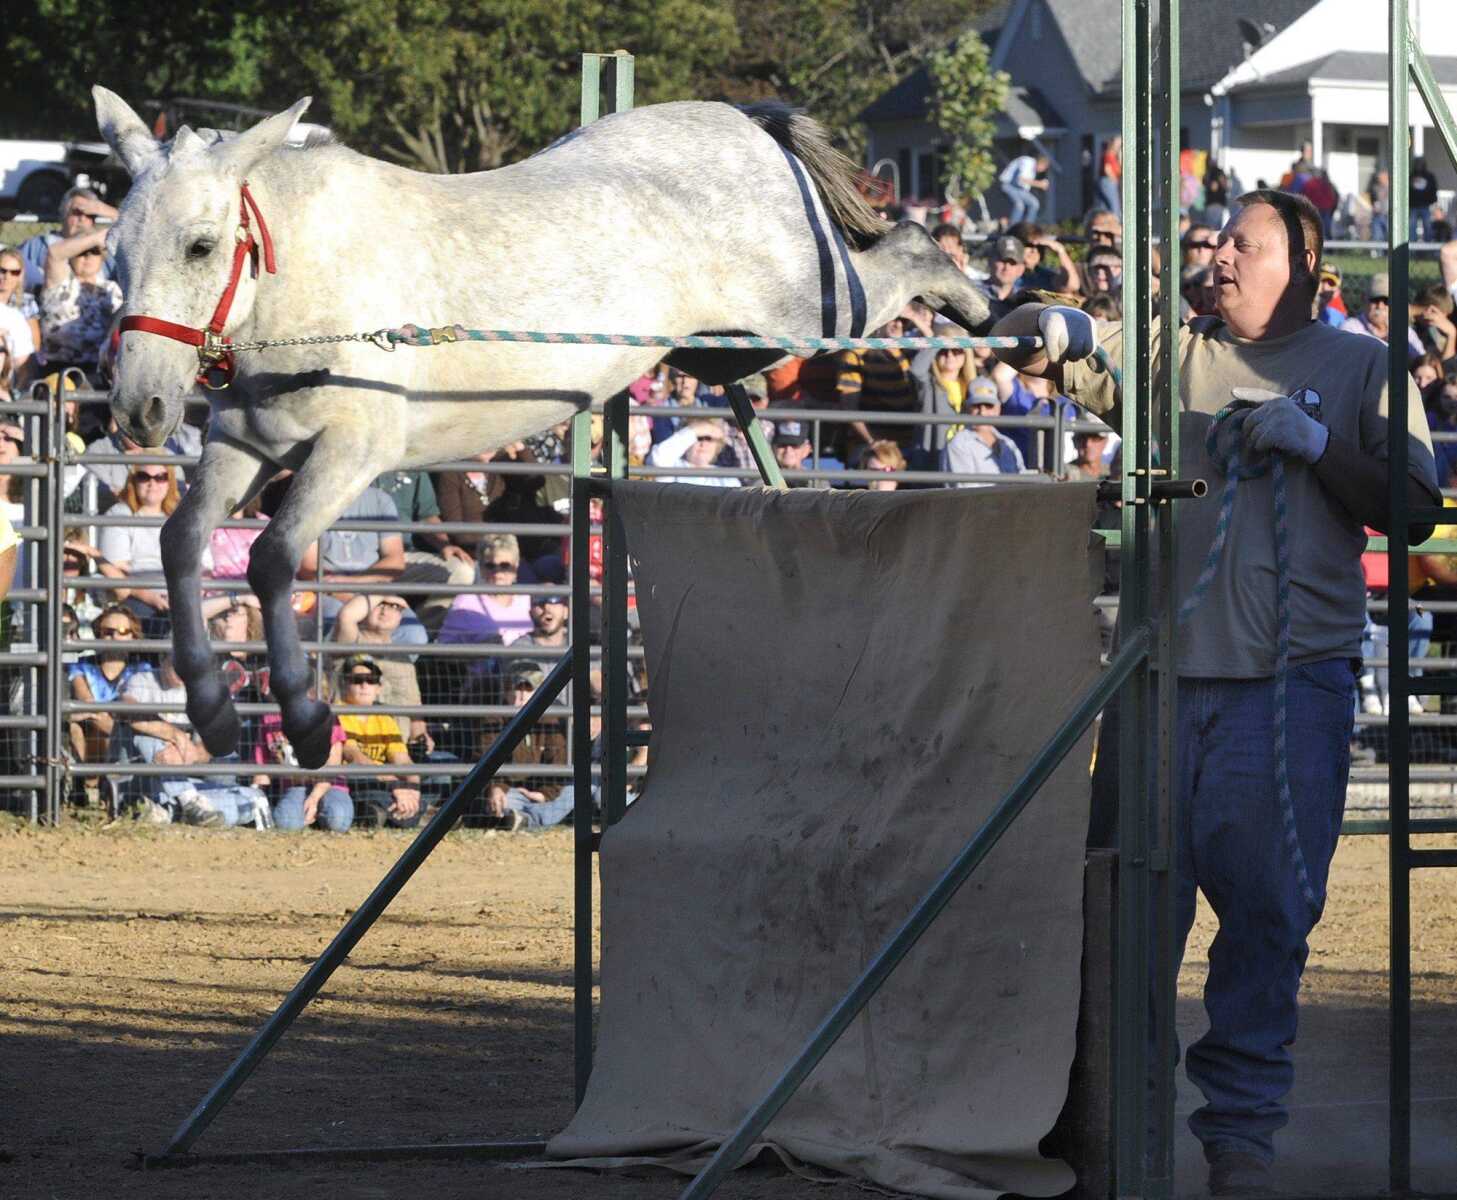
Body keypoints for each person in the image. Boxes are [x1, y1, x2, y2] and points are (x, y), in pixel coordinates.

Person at [992, 187, 1440, 1195]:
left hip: (1286, 691)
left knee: (1265, 919)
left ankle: (1237, 1141)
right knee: (1123, 924)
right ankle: (1114, 1127)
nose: (1219, 255)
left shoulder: (1362, 366)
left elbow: (1414, 507)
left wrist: (1320, 447)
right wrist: (1040, 329)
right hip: (1155, 686)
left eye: (1242, 242)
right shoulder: (1167, 355)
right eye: (1215, 240)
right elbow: (1053, 346)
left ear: (1302, 270)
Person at [471, 664, 575, 832]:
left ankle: (526, 819)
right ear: (506, 691)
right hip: (511, 791)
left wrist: (543, 794)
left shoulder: (552, 721)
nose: (521, 696)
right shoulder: (493, 719)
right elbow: (485, 761)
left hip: (544, 795)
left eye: (528, 689)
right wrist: (496, 787)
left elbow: (559, 764)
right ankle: (528, 817)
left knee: (574, 792)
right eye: (516, 688)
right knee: (502, 800)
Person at [98, 463, 192, 636]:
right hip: (136, 596)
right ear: (133, 481)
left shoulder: (182, 515)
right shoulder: (120, 514)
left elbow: (203, 565)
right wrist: (151, 597)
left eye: (160, 477)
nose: (152, 483)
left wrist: (185, 595)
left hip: (182, 593)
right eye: (144, 477)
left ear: (169, 481)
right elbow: (117, 570)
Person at [334, 653, 423, 828]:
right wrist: (395, 785)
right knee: (363, 775)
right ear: (345, 684)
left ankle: (393, 810)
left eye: (371, 680)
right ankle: (417, 814)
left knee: (435, 779)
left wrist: (414, 789)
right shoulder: (338, 714)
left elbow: (402, 760)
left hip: (384, 780)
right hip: (355, 778)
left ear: (379, 688)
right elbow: (354, 757)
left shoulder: (385, 719)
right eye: (357, 680)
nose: (364, 685)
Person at [66, 604, 151, 768]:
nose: (115, 636)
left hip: (128, 735)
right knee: (81, 728)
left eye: (123, 631)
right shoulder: (82, 665)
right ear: (99, 634)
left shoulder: (142, 669)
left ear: (134, 636)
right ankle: (90, 787)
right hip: (92, 733)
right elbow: (87, 703)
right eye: (108, 632)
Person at [39, 222, 122, 383]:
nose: (88, 256)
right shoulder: (61, 281)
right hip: (58, 367)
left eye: (94, 251)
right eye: (82, 251)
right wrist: (97, 238)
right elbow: (54, 253)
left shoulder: (111, 289)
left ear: (102, 257)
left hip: (97, 370)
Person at [17, 186, 118, 293]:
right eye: (77, 212)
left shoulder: (101, 250)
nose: (82, 219)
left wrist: (110, 212)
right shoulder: (38, 246)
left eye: (90, 215)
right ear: (64, 214)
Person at [945, 380, 1024, 480]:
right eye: (976, 405)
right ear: (966, 408)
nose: (982, 412)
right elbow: (965, 492)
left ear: (998, 409)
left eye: (988, 405)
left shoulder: (1009, 443)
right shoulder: (958, 444)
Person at [1340, 272, 1423, 363]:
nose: (1380, 306)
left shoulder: (1404, 331)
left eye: (1386, 301)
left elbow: (1420, 360)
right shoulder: (1350, 328)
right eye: (1375, 300)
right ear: (1364, 299)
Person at [645, 417, 742, 486]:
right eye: (699, 438)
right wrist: (695, 430)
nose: (703, 444)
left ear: (717, 446)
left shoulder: (727, 478)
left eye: (709, 439)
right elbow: (658, 459)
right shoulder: (673, 465)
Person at [0, 248, 38, 394]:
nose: (6, 276)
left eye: (13, 272)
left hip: (11, 376)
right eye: (2, 270)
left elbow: (32, 349)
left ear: (20, 275)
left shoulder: (23, 307)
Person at [978, 236, 1028, 322]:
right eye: (1002, 261)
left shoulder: (1026, 298)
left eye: (1012, 263)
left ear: (1021, 269)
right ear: (990, 261)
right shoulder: (973, 289)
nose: (1006, 267)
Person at [998, 151, 1050, 225]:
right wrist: (1040, 184)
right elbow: (1021, 179)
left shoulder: (1033, 170)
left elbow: (1025, 188)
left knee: (1034, 204)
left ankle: (1027, 228)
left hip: (1019, 189)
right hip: (1007, 185)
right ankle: (1013, 228)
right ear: (1041, 164)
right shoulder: (1028, 162)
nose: (1042, 171)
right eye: (1043, 168)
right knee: (1019, 205)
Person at [1411, 157, 1439, 243]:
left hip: (1425, 205)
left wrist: (1432, 200)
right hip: (1413, 205)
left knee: (1427, 226)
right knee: (1412, 226)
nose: (1419, 166)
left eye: (1420, 164)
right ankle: (1412, 246)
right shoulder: (1411, 176)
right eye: (1417, 164)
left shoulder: (1429, 176)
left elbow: (1433, 189)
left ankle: (1428, 245)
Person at [1315, 261, 1347, 328]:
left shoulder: (1336, 318)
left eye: (1331, 283)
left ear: (1337, 292)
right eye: (1321, 280)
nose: (1325, 287)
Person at [1098, 136, 1122, 216]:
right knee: (1114, 207)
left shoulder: (1113, 156)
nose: (1119, 147)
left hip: (1108, 182)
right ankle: (1115, 224)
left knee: (1106, 207)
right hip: (1108, 182)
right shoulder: (1109, 155)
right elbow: (1107, 169)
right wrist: (1114, 179)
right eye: (1118, 145)